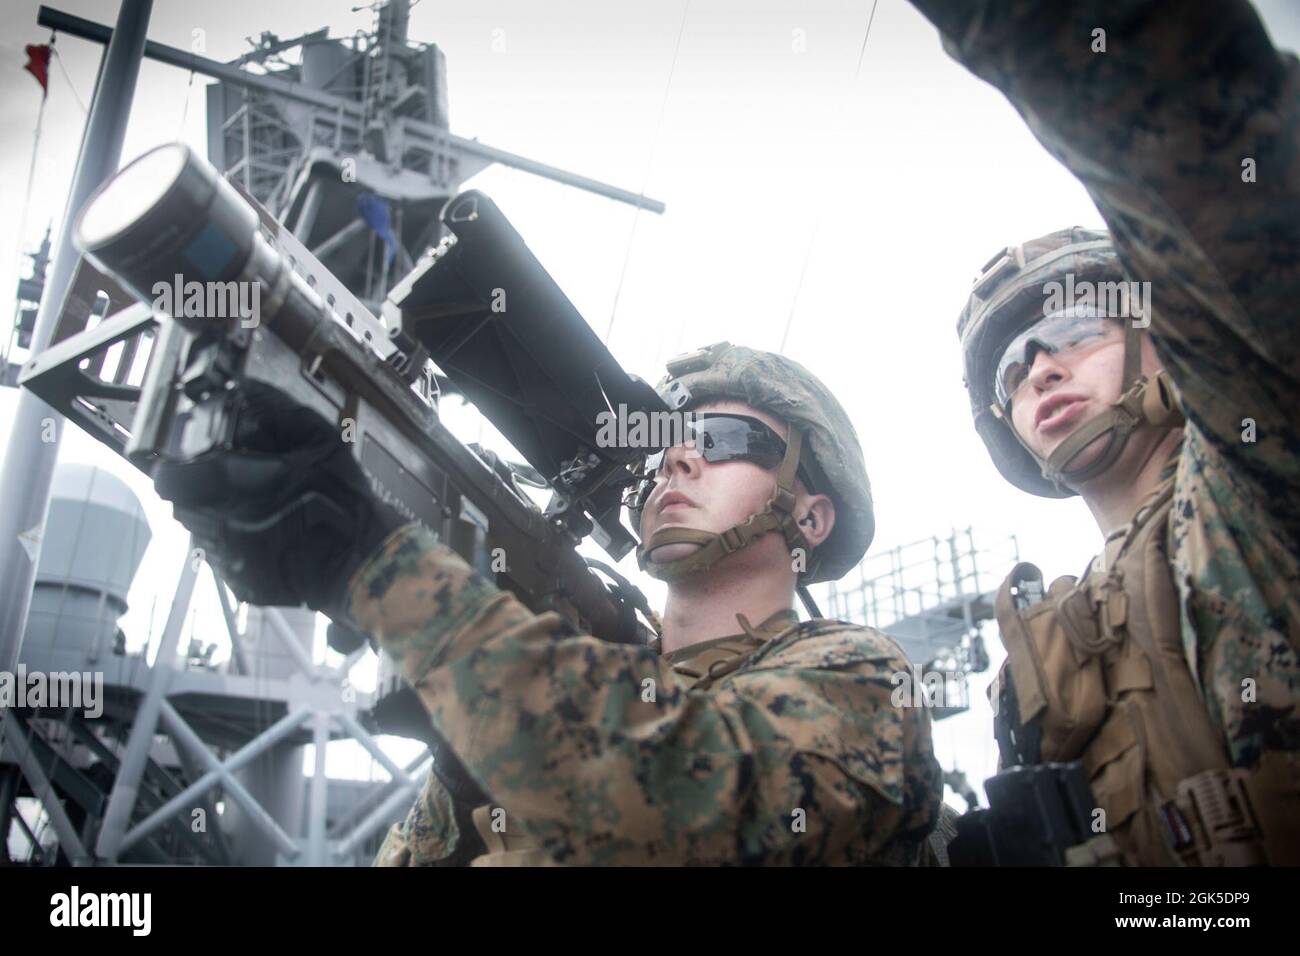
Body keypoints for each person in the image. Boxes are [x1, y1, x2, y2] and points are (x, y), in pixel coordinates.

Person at [157, 341, 942, 864]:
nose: (679, 458)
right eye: (672, 439)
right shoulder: (572, 694)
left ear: (810, 516)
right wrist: (472, 775)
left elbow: (684, 798)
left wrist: (380, 570)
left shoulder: (860, 675)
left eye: (727, 441)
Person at [905, 0, 1300, 864]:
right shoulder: (1034, 664)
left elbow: (1199, 157)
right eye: (1012, 369)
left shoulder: (1251, 473)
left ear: (1159, 338)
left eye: (1077, 326)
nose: (1038, 368)